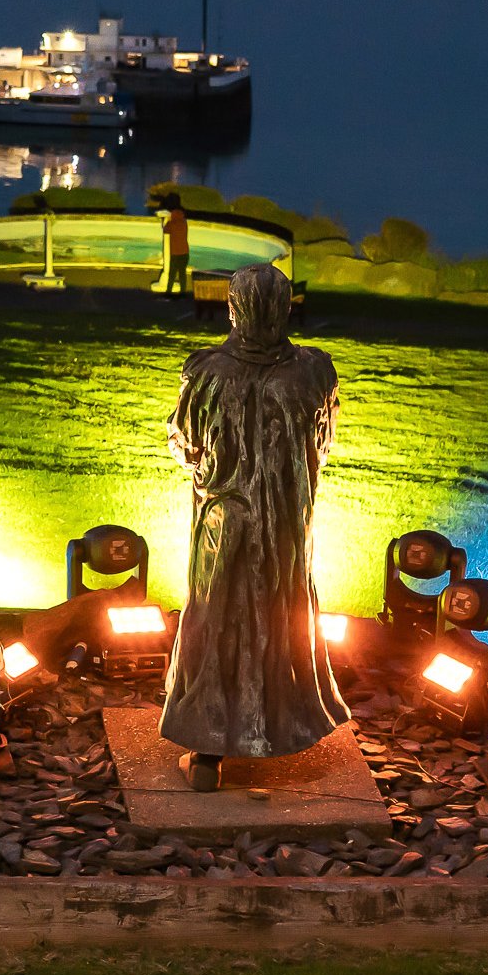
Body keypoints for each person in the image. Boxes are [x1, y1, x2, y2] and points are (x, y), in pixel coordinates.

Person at [158, 260, 345, 789]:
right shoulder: (314, 372)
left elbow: (186, 446)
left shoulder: (206, 373)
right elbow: (323, 444)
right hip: (286, 524)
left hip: (224, 520)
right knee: (279, 610)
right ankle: (282, 722)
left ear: (233, 308)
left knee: (215, 613)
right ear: (285, 309)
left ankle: (207, 744)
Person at [158, 195, 191, 296]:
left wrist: (165, 220)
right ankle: (183, 292)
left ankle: (168, 292)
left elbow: (165, 230)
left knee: (172, 274)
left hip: (175, 253)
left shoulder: (171, 224)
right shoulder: (184, 222)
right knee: (182, 274)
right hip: (185, 252)